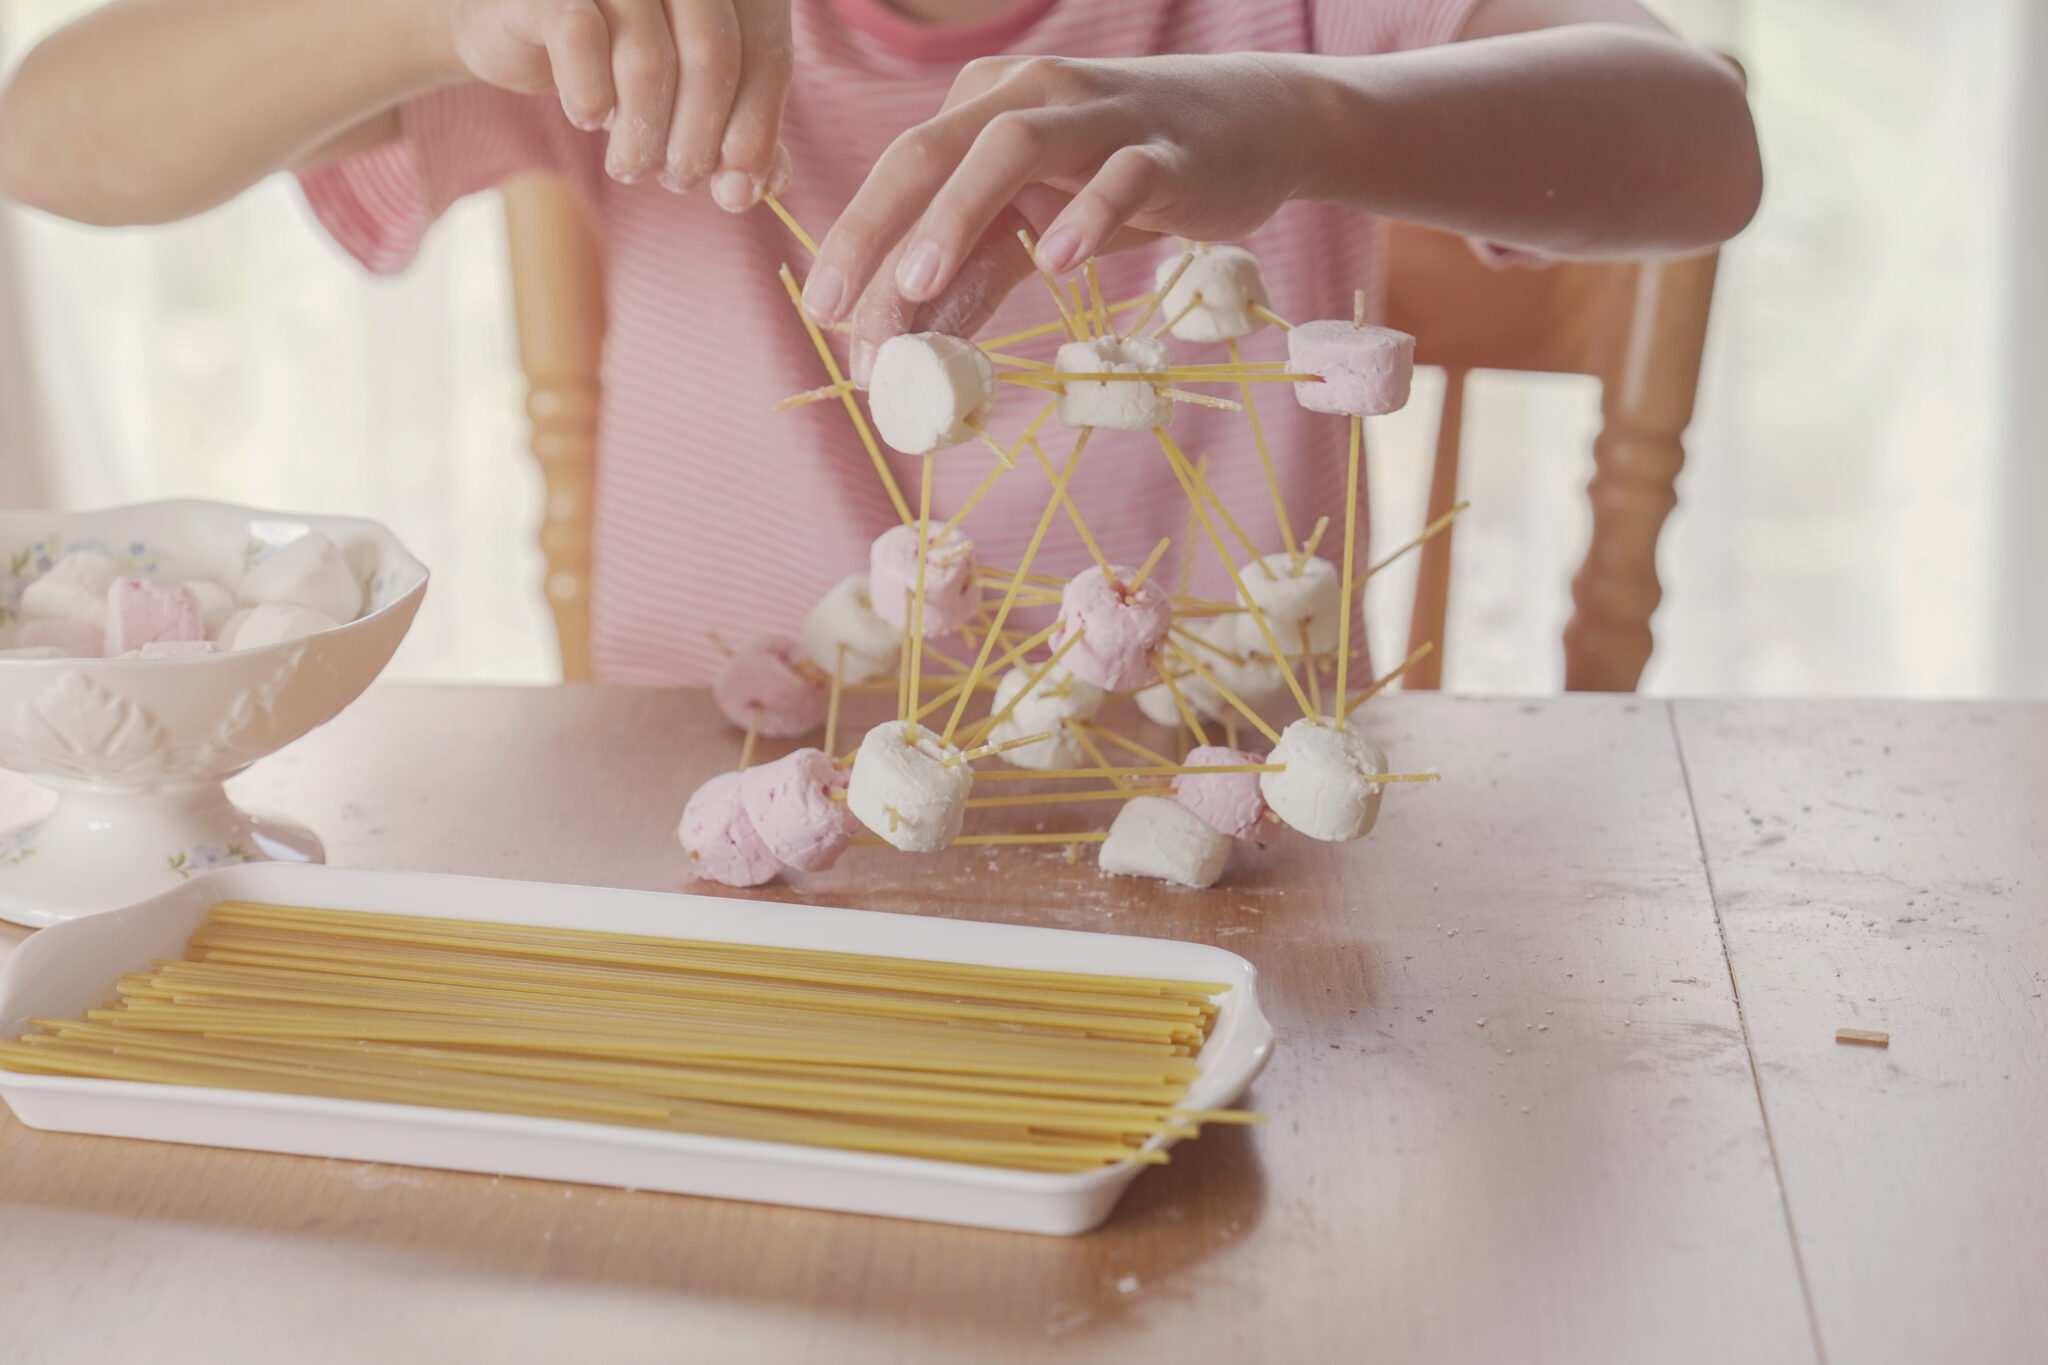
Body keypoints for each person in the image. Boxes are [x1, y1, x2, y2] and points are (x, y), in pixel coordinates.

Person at [0, 0, 1759, 686]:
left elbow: (1700, 135)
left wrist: (1300, 114)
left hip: (1228, 862)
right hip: (707, 837)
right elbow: (52, 131)